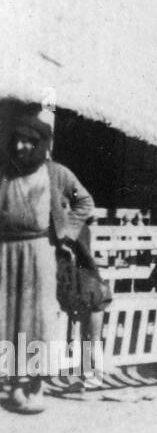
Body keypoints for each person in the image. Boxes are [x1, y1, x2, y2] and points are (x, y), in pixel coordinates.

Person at [0, 109, 95, 414]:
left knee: (37, 317)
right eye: (16, 141)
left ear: (40, 143)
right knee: (9, 316)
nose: (20, 148)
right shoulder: (5, 172)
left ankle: (35, 385)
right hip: (7, 252)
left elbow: (85, 201)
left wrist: (66, 232)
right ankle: (15, 385)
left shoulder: (56, 173)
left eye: (28, 142)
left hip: (41, 249)